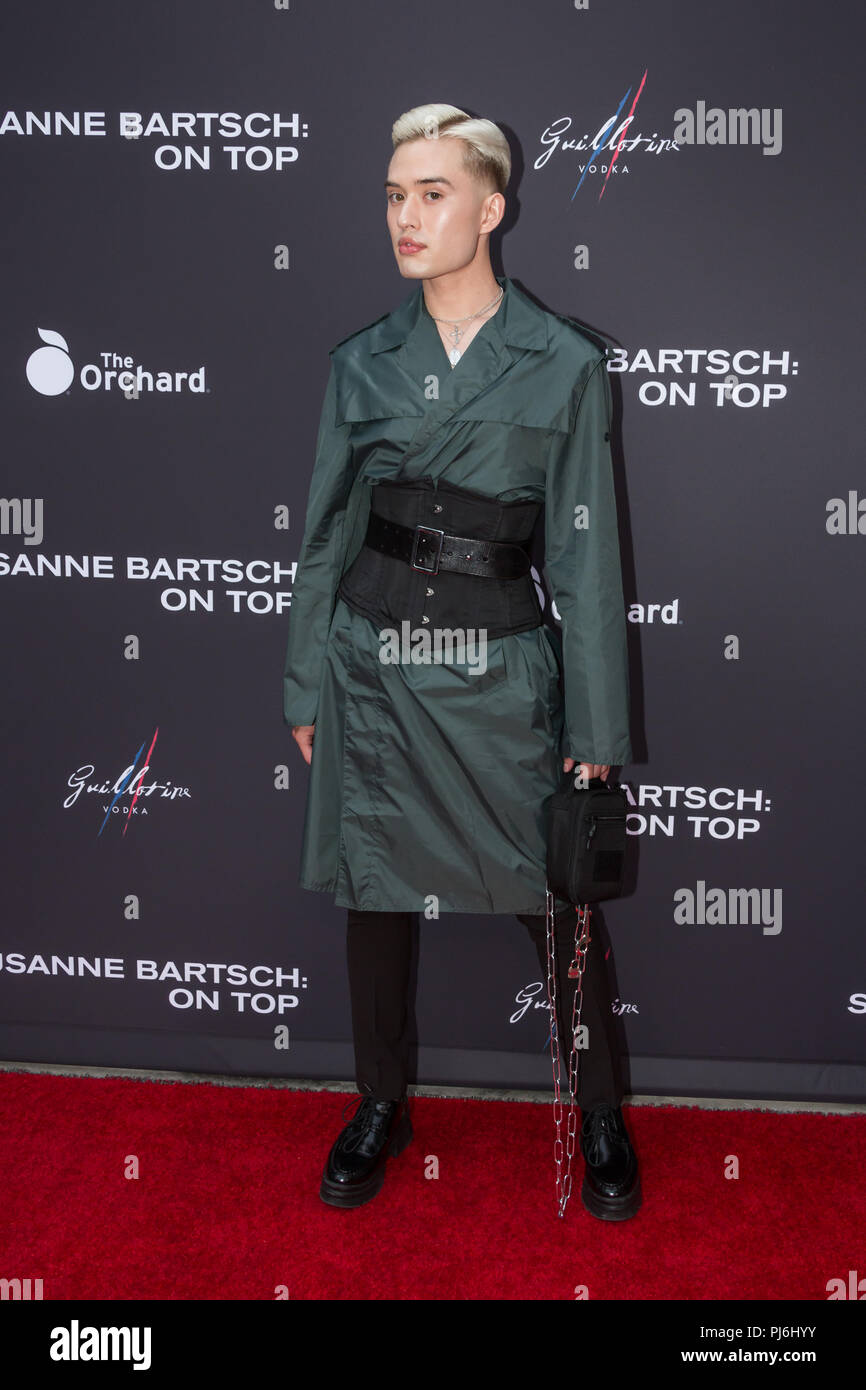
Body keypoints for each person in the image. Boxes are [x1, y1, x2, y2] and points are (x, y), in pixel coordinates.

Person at [282, 103, 640, 1220]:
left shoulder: (564, 364)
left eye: (431, 193)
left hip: (497, 677)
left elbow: (584, 563)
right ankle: (380, 1102)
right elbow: (324, 536)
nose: (406, 215)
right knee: (373, 896)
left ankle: (598, 1113)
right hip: (372, 668)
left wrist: (593, 734)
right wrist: (305, 680)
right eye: (394, 194)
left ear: (491, 208)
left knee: (561, 909)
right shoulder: (360, 362)